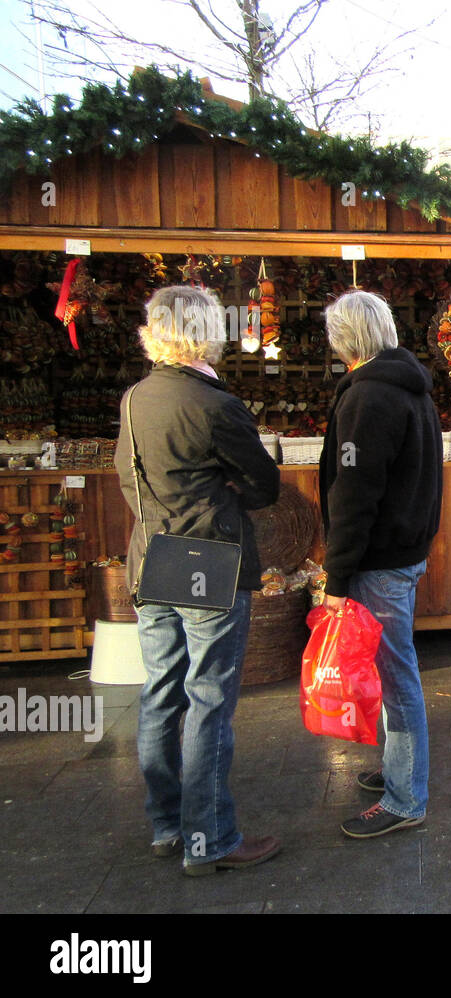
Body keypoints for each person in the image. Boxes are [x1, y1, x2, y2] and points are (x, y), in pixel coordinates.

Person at [116, 285, 282, 876]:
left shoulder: (135, 399)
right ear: (205, 331)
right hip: (208, 559)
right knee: (208, 701)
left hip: (152, 556)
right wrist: (226, 491)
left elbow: (128, 482)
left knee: (160, 694)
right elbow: (264, 484)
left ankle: (168, 826)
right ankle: (208, 838)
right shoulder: (216, 405)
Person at [319, 290, 442, 839]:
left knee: (396, 677)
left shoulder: (368, 397)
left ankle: (405, 798)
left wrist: (336, 574)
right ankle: (400, 770)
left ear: (343, 340)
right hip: (402, 554)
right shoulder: (408, 388)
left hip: (380, 561)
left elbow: (354, 494)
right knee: (394, 671)